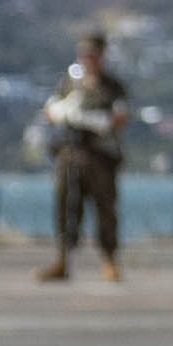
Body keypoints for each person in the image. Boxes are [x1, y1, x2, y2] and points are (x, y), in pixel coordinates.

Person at [38, 33, 129, 281]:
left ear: (101, 56)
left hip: (100, 156)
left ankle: (109, 261)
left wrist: (94, 121)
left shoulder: (111, 86)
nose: (88, 59)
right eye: (84, 54)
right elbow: (49, 111)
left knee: (105, 209)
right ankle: (63, 260)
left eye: (93, 54)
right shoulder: (69, 82)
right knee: (66, 208)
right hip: (70, 153)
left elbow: (120, 118)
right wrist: (65, 113)